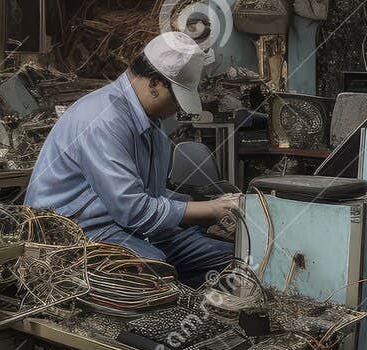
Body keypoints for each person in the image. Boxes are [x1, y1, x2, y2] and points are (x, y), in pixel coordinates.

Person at [26, 31, 237, 286]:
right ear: (155, 84)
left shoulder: (152, 124)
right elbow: (133, 210)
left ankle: (198, 312)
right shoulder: (102, 119)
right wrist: (208, 211)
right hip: (77, 233)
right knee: (155, 268)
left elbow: (150, 195)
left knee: (229, 258)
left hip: (127, 227)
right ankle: (160, 313)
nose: (179, 109)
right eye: (178, 98)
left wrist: (209, 208)